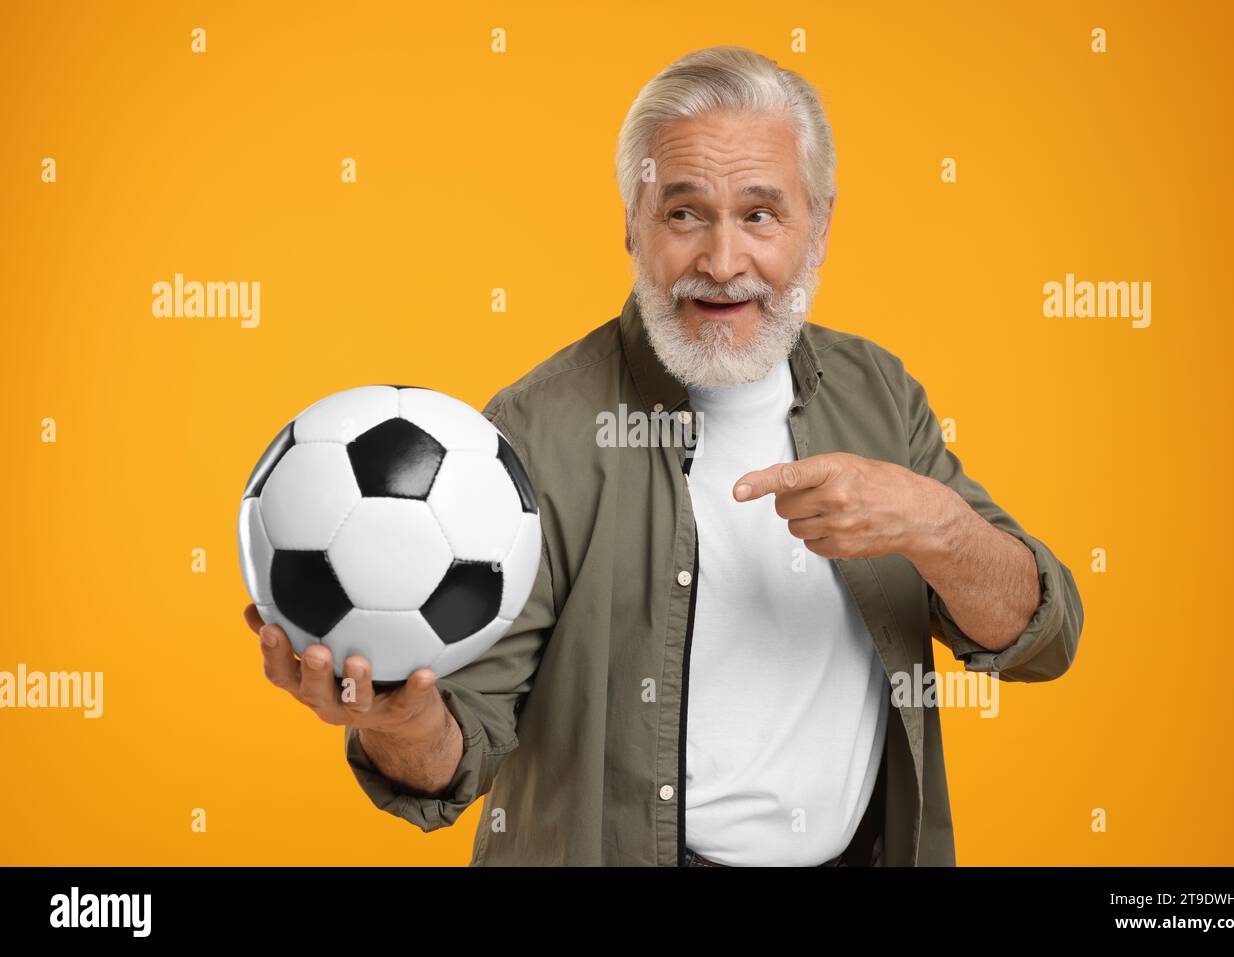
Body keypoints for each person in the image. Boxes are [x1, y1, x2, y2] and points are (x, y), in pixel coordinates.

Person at [243, 45, 1084, 866]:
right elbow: (457, 752)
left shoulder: (878, 394)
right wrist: (397, 722)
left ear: (820, 226)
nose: (723, 263)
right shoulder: (535, 431)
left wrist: (935, 525)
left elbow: (1039, 636)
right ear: (633, 226)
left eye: (760, 214)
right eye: (685, 214)